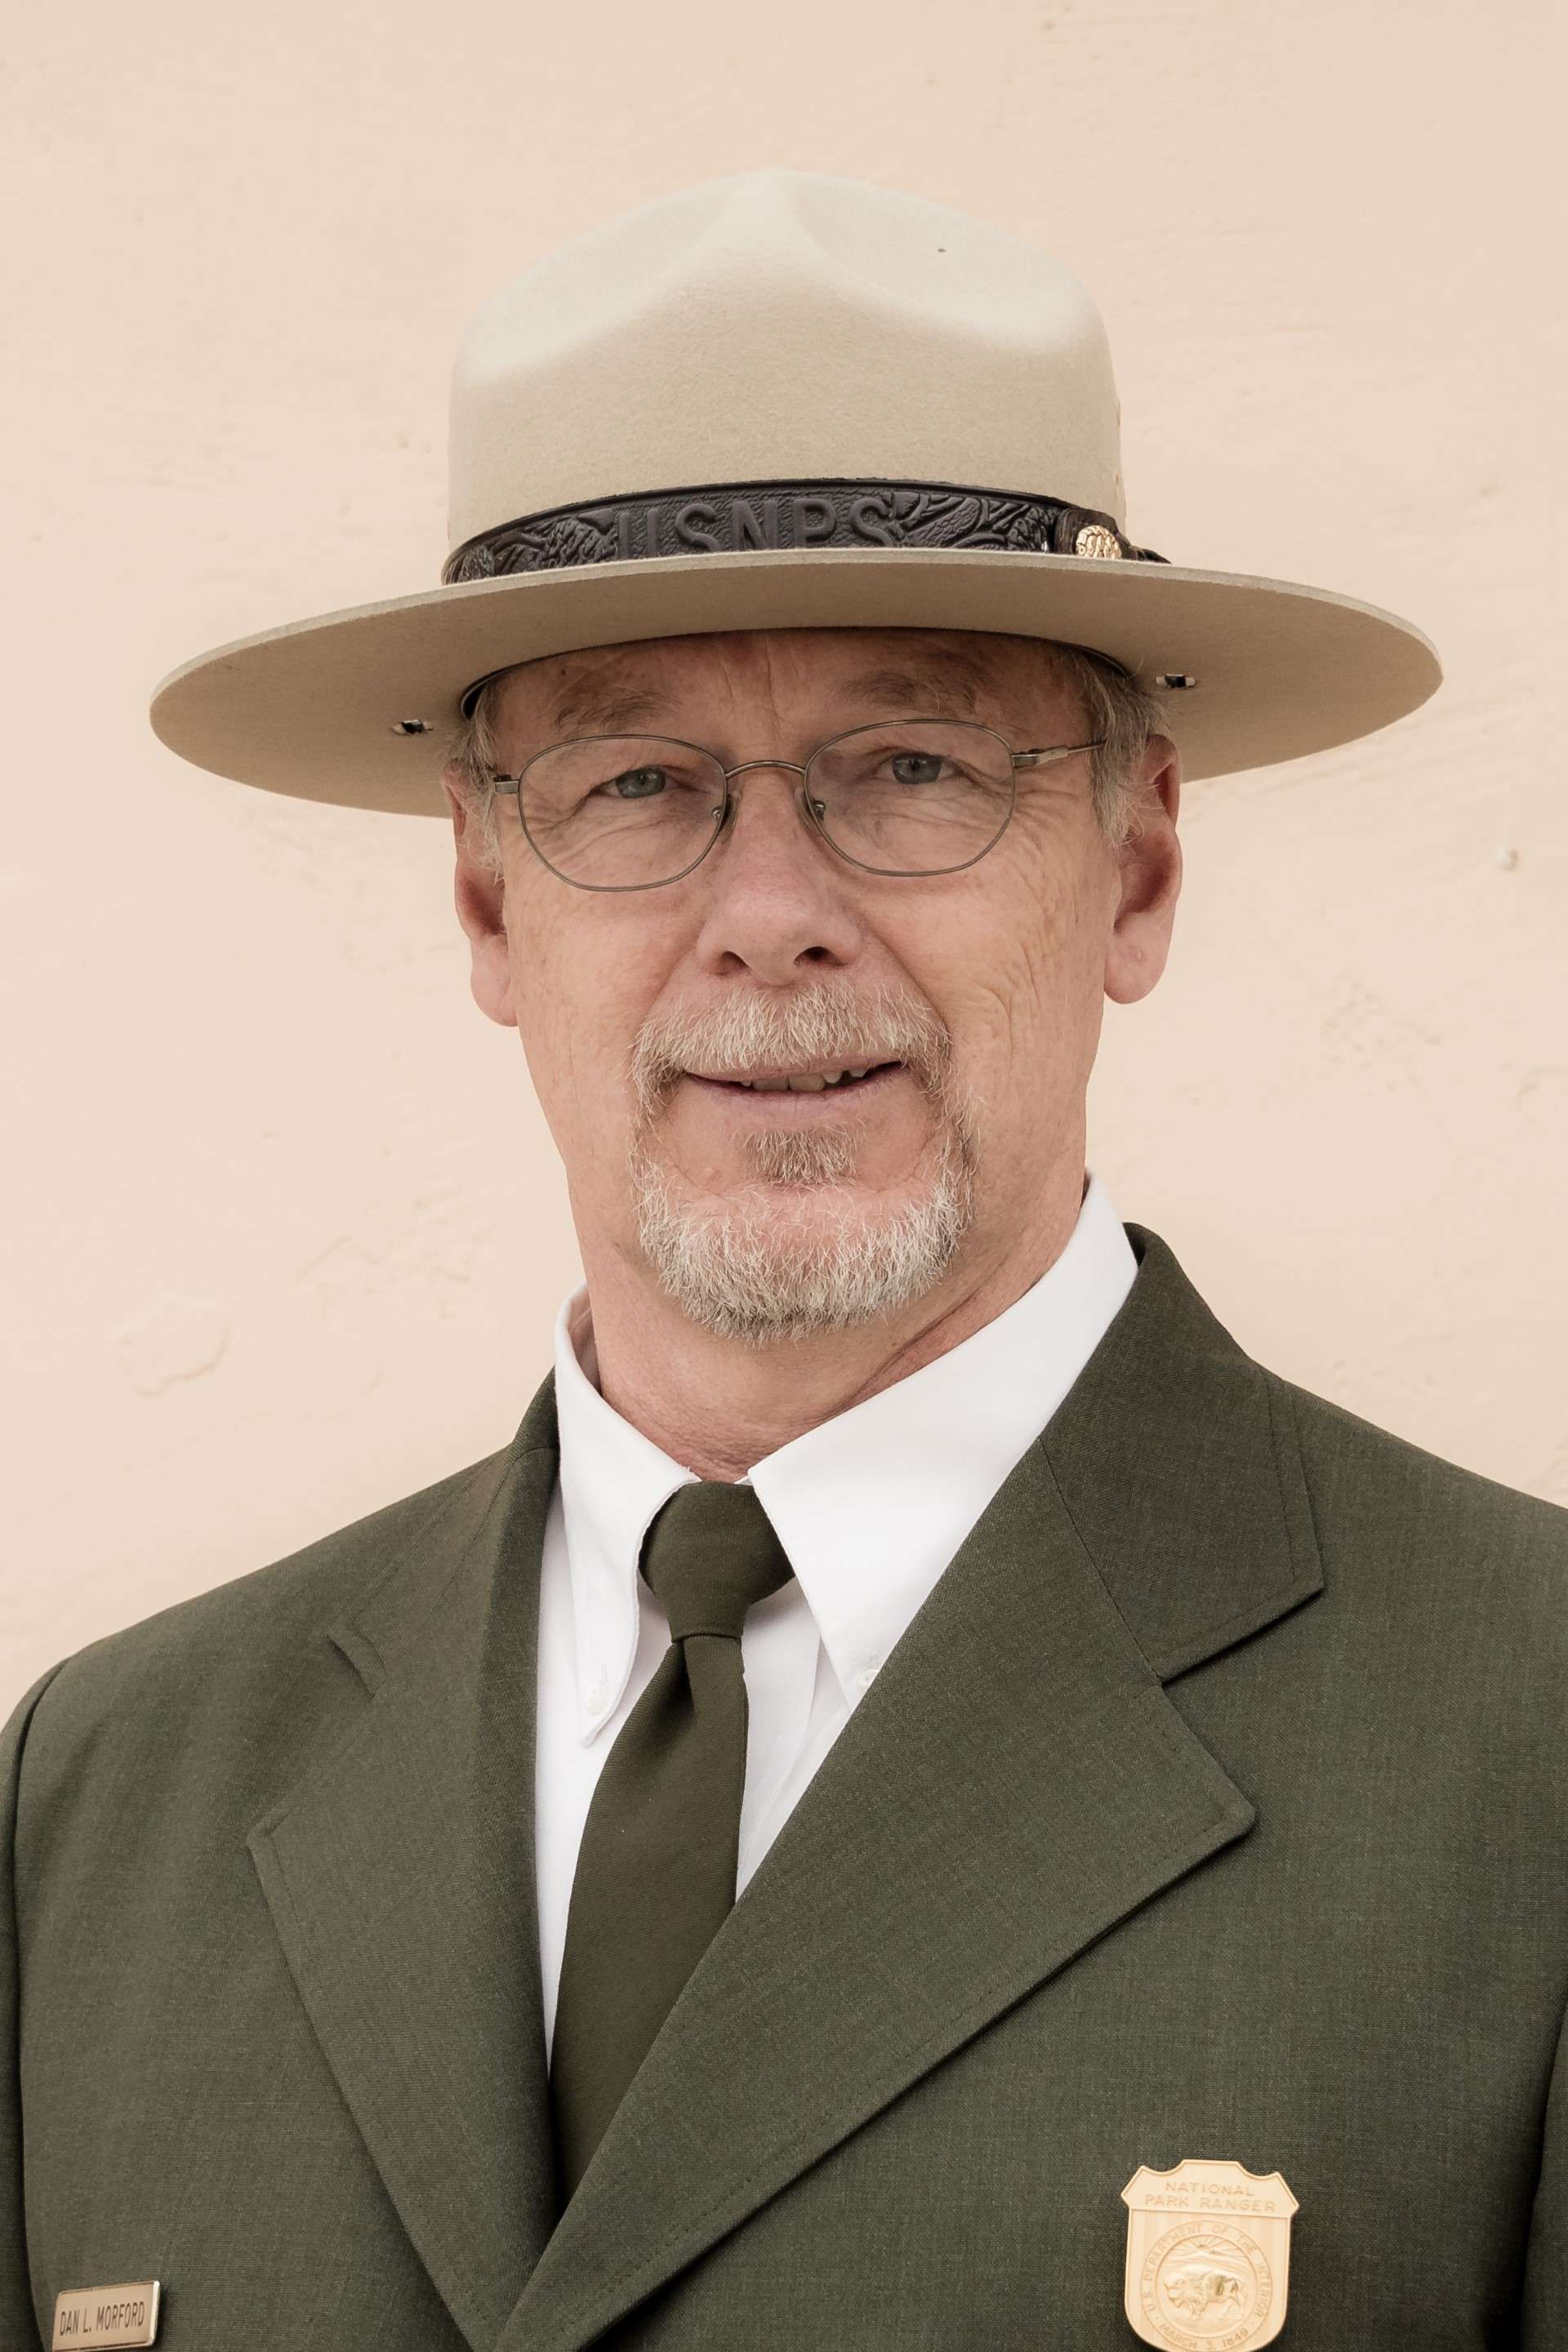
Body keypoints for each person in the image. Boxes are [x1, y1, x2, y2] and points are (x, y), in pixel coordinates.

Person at [4, 168, 1563, 2352]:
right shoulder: (107, 1799)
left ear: (1134, 865)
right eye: (636, 786)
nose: (770, 912)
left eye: (910, 767)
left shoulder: (1527, 1745)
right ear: (483, 904)